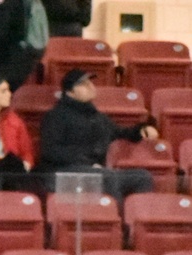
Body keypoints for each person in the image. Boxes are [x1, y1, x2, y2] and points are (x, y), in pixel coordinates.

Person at [37, 68, 158, 200]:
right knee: (105, 177)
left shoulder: (98, 117)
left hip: (96, 172)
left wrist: (141, 130)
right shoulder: (56, 116)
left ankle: (137, 219)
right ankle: (116, 219)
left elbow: (121, 132)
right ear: (69, 92)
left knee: (141, 177)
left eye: (90, 82)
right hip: (62, 174)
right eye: (83, 84)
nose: (90, 86)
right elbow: (51, 151)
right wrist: (87, 164)